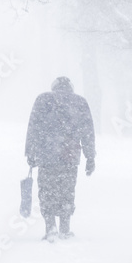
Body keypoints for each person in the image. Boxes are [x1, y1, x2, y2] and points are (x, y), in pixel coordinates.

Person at [25, 76, 96, 241]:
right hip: (69, 156)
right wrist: (90, 156)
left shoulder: (43, 99)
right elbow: (88, 132)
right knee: (66, 191)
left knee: (47, 191)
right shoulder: (80, 102)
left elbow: (33, 127)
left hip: (46, 156)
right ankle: (65, 228)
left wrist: (31, 152)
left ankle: (50, 228)